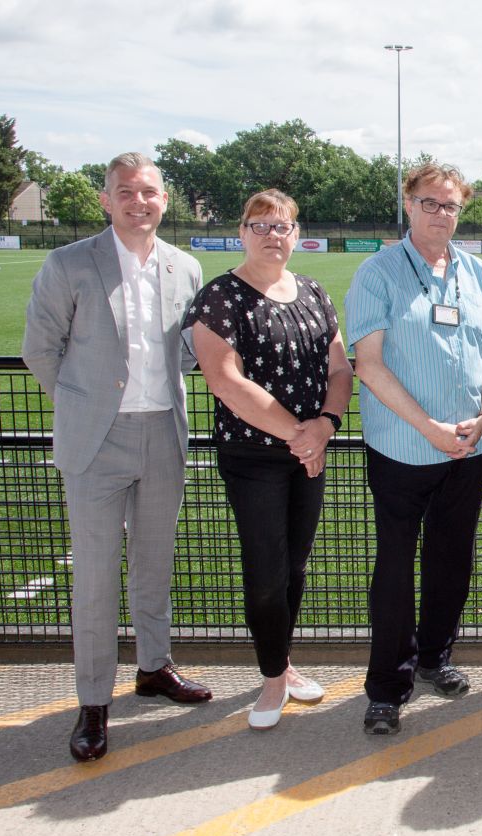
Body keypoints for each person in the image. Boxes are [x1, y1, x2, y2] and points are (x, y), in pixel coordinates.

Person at [22, 152, 211, 762]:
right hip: (96, 441)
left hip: (164, 433)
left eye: (149, 192)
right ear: (107, 200)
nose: (139, 202)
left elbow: (186, 350)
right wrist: (85, 405)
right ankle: (93, 701)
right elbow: (40, 350)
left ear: (164, 200)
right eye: (125, 192)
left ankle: (154, 668)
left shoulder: (186, 267)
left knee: (154, 563)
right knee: (97, 575)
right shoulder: (69, 262)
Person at [346, 162, 482, 734]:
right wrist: (428, 427)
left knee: (451, 560)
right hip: (403, 448)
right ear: (409, 204)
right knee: (395, 569)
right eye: (429, 203)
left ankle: (434, 657)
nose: (440, 214)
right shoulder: (379, 273)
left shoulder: (475, 272)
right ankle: (387, 686)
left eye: (449, 205)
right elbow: (368, 366)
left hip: (469, 449)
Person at [184, 190, 353, 730]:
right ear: (242, 232)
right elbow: (226, 381)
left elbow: (340, 368)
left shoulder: (313, 292)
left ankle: (282, 661)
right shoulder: (221, 297)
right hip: (254, 456)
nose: (272, 236)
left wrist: (324, 426)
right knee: (265, 570)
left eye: (281, 226)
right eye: (260, 226)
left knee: (295, 566)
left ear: (296, 234)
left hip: (310, 450)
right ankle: (272, 677)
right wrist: (298, 436)